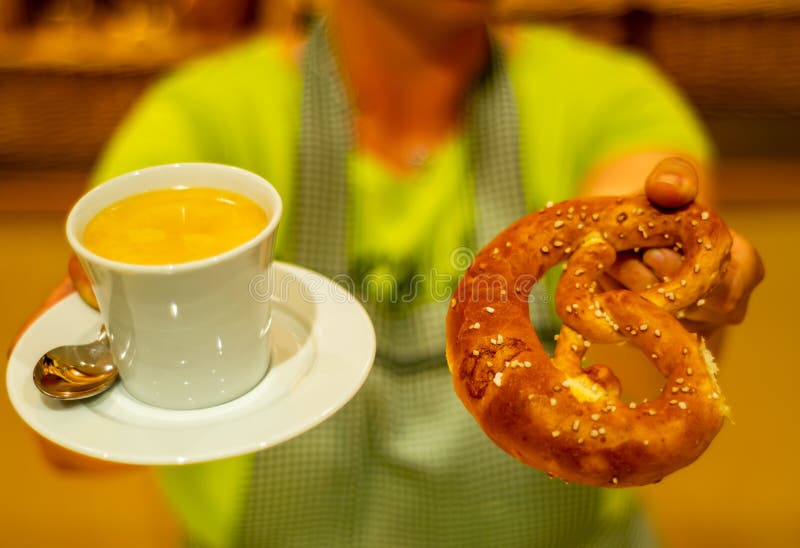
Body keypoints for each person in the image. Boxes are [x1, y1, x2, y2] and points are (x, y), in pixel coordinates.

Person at [17, 1, 764, 546]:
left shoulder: (605, 95)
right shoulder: (201, 123)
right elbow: (65, 440)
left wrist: (679, 285)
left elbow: (649, 243)